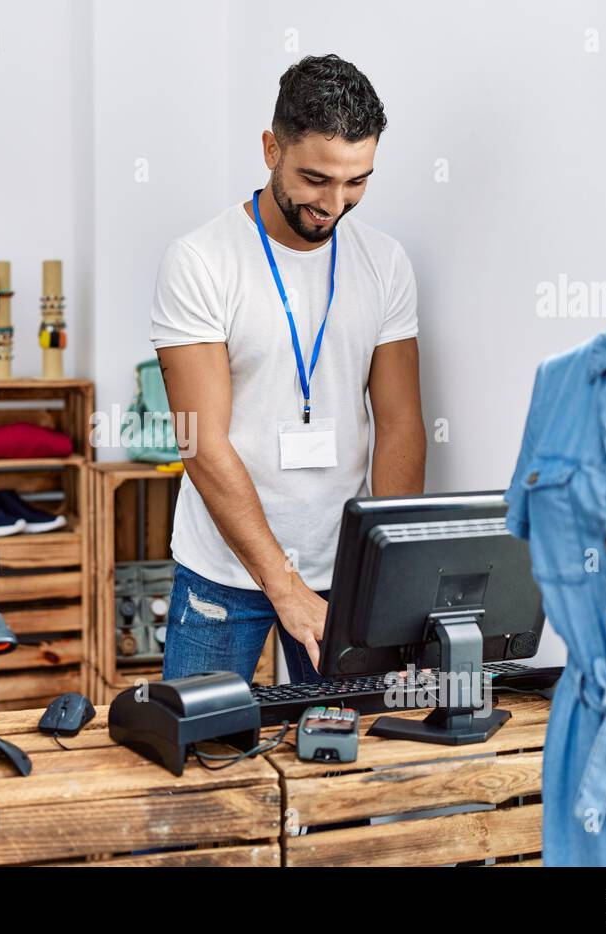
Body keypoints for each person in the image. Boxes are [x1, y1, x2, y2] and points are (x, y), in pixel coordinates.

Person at [150, 54, 425, 685]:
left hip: (345, 567)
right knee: (202, 759)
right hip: (225, 566)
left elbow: (403, 424)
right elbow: (200, 444)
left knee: (349, 764)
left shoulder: (385, 263)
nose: (334, 204)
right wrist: (284, 585)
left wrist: (391, 571)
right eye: (316, 178)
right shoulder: (199, 262)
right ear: (271, 148)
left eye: (356, 181)